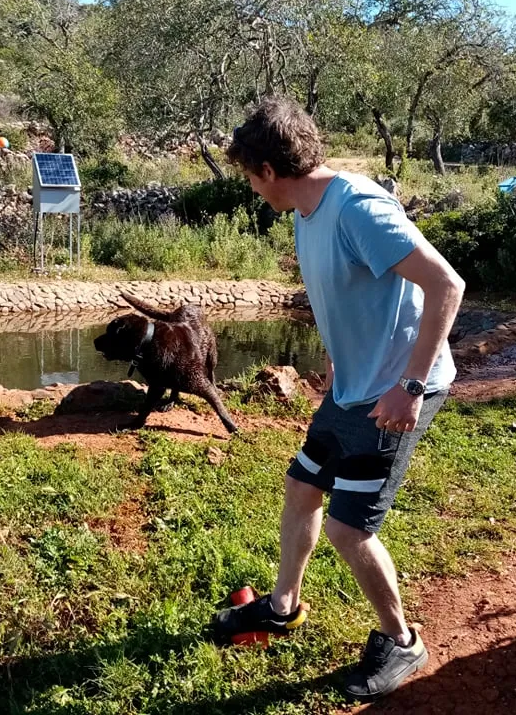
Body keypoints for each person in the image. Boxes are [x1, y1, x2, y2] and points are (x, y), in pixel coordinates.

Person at [212, 95, 465, 703]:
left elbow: (446, 284)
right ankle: (281, 607)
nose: (250, 187)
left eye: (249, 175)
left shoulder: (357, 207)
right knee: (303, 488)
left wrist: (409, 386)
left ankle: (402, 641)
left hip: (396, 392)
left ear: (269, 170)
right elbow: (350, 296)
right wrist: (336, 361)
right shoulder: (306, 210)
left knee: (350, 528)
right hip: (352, 388)